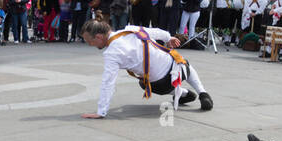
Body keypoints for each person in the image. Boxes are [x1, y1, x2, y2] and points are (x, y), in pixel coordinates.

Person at [79, 18, 212, 118]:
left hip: (161, 85)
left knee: (144, 83)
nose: (90, 44)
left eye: (89, 41)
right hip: (178, 68)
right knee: (182, 61)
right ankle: (202, 93)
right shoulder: (131, 29)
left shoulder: (111, 54)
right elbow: (158, 32)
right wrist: (169, 37)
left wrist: (101, 112)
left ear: (98, 36)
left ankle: (183, 93)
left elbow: (108, 83)